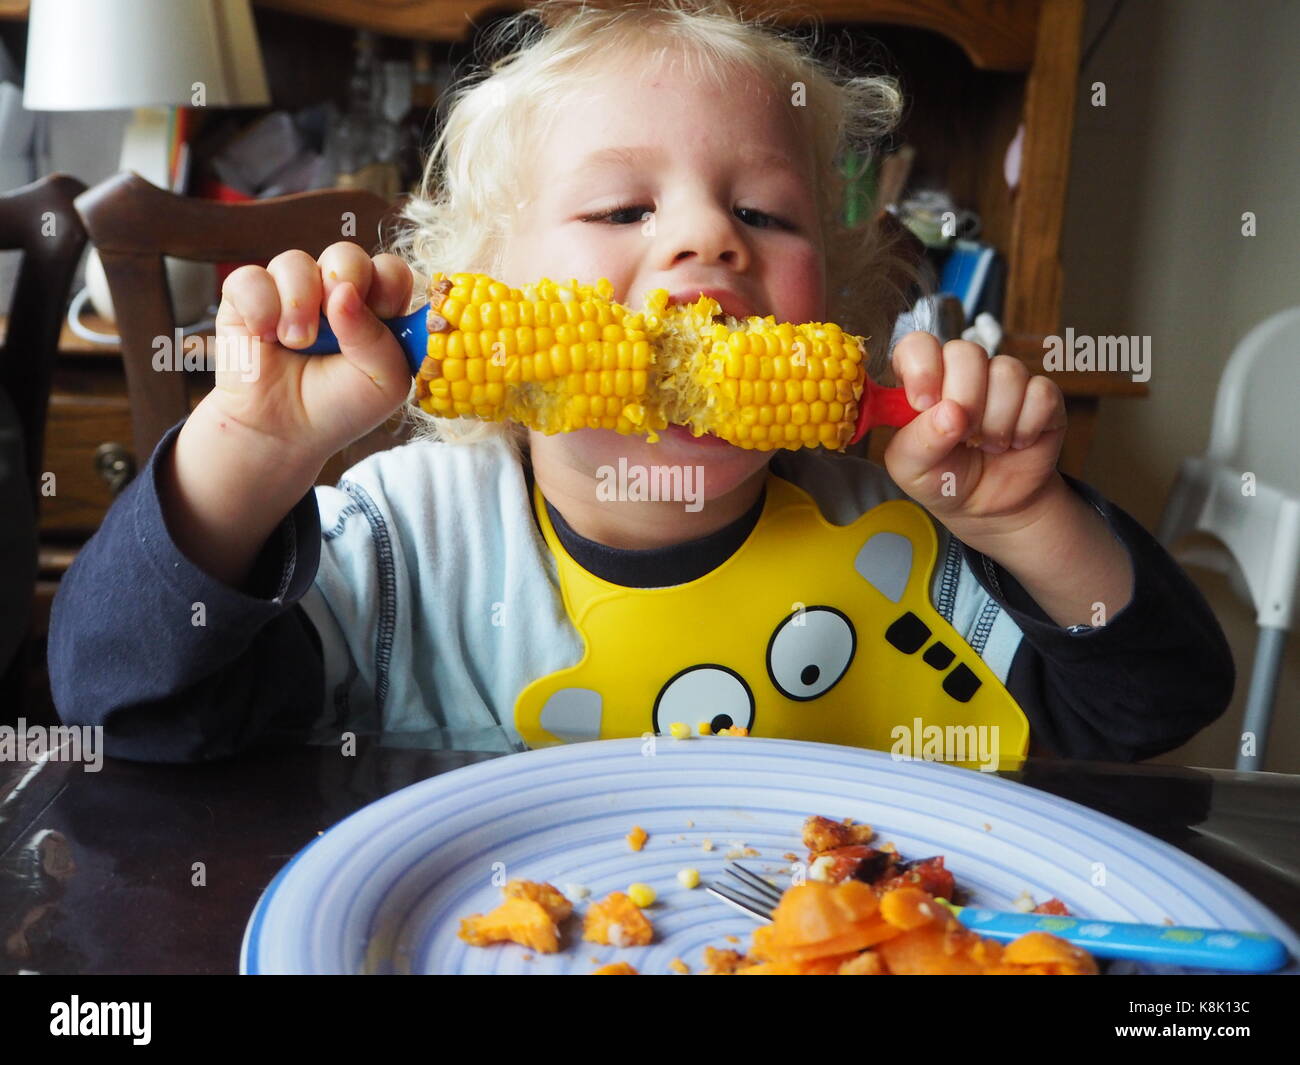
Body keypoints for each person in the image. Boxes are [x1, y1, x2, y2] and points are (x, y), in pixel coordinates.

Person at [47, 0, 1232, 764]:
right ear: (479, 286)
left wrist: (1030, 522)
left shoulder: (899, 539)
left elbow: (1155, 705)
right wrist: (247, 459)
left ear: (843, 293)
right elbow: (124, 709)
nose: (708, 242)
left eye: (763, 212)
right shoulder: (403, 551)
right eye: (622, 207)